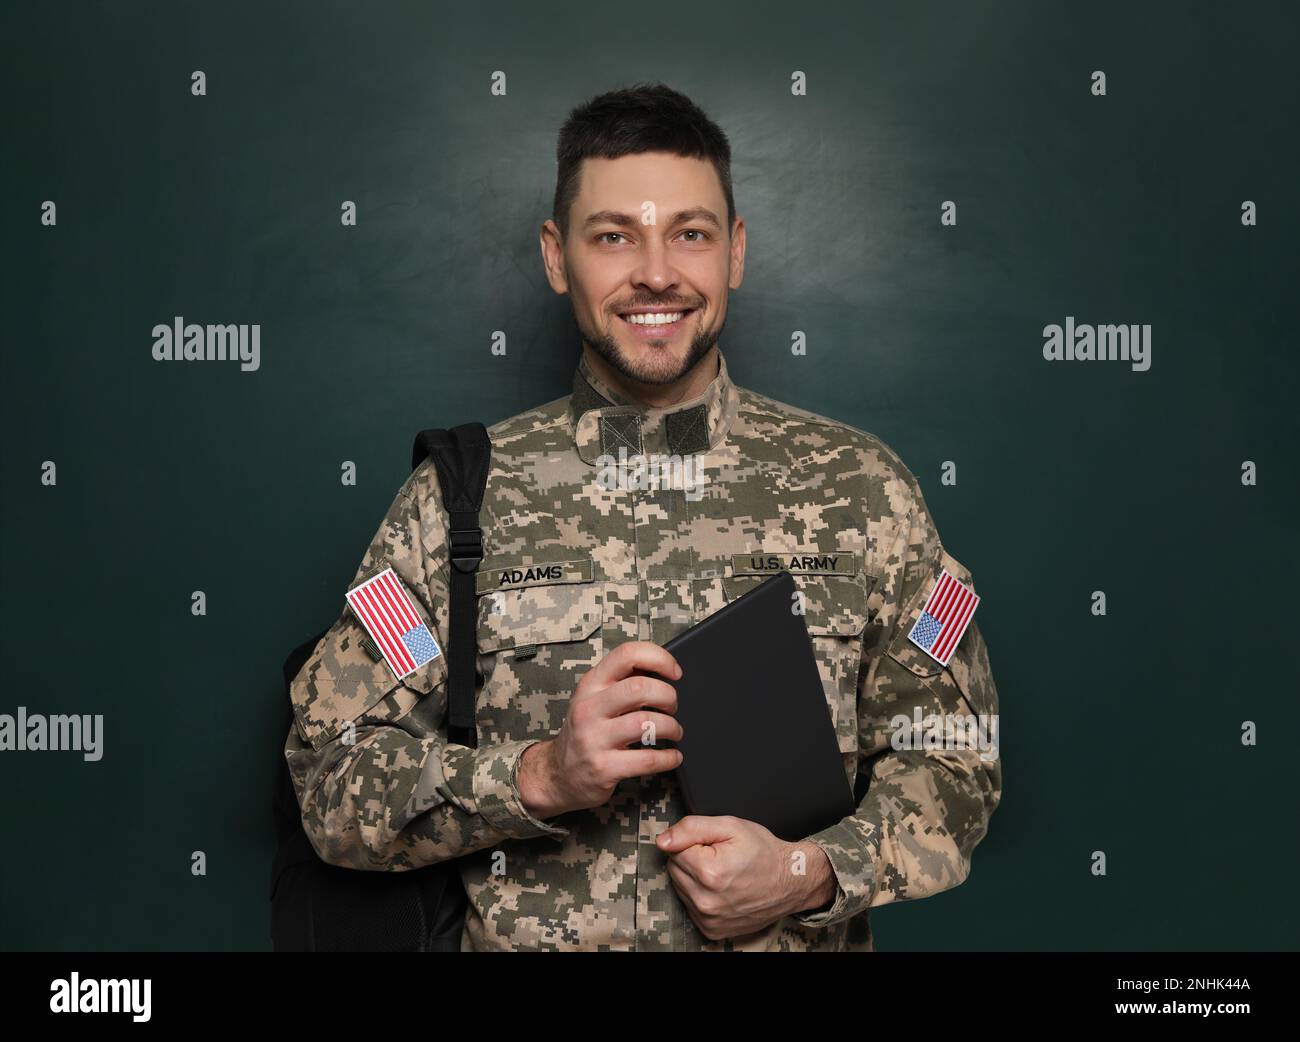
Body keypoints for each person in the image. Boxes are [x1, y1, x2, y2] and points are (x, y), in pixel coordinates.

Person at [284, 82, 1002, 951]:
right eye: (614, 235)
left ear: (735, 250)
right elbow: (330, 778)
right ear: (557, 257)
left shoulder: (863, 490)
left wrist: (807, 874)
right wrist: (539, 777)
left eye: (690, 234)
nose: (656, 272)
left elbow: (956, 757)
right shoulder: (455, 503)